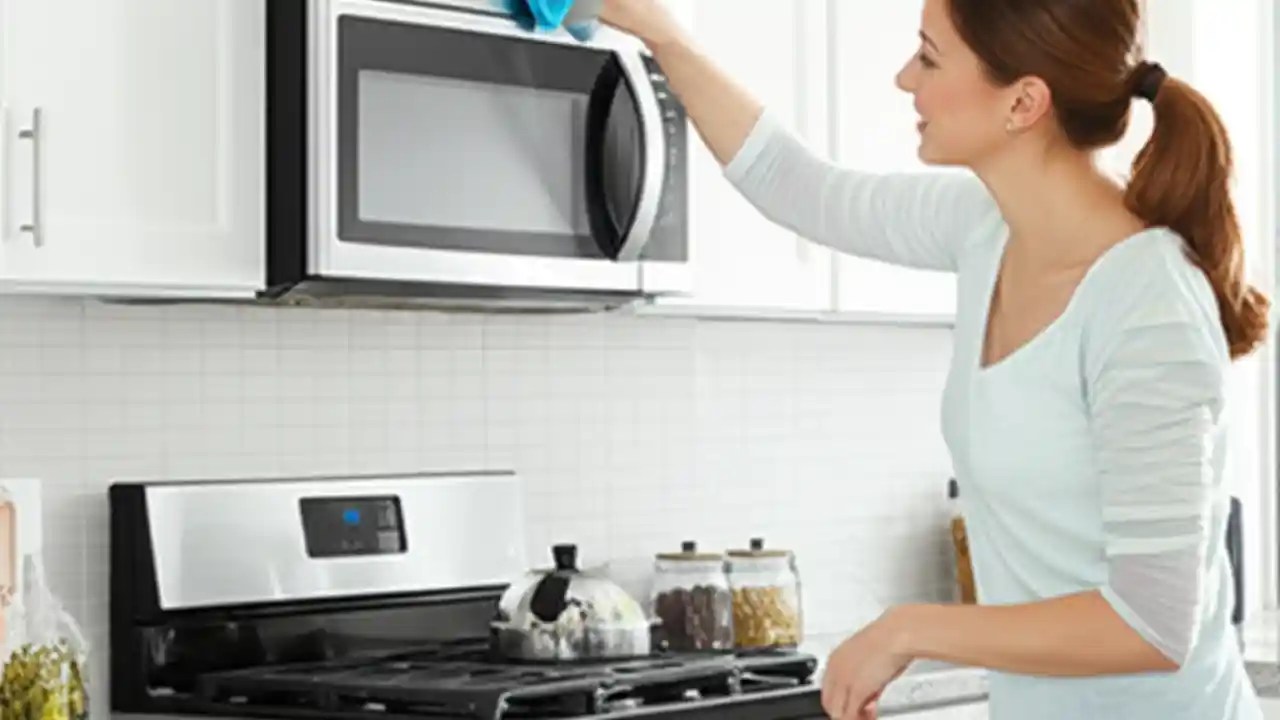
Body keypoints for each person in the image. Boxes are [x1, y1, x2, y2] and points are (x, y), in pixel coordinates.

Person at [597, 0, 1271, 718]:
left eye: (929, 56)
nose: (902, 79)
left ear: (1023, 102)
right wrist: (661, 33)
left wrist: (911, 628)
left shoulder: (1147, 303)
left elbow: (1153, 623)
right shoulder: (984, 229)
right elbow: (802, 188)